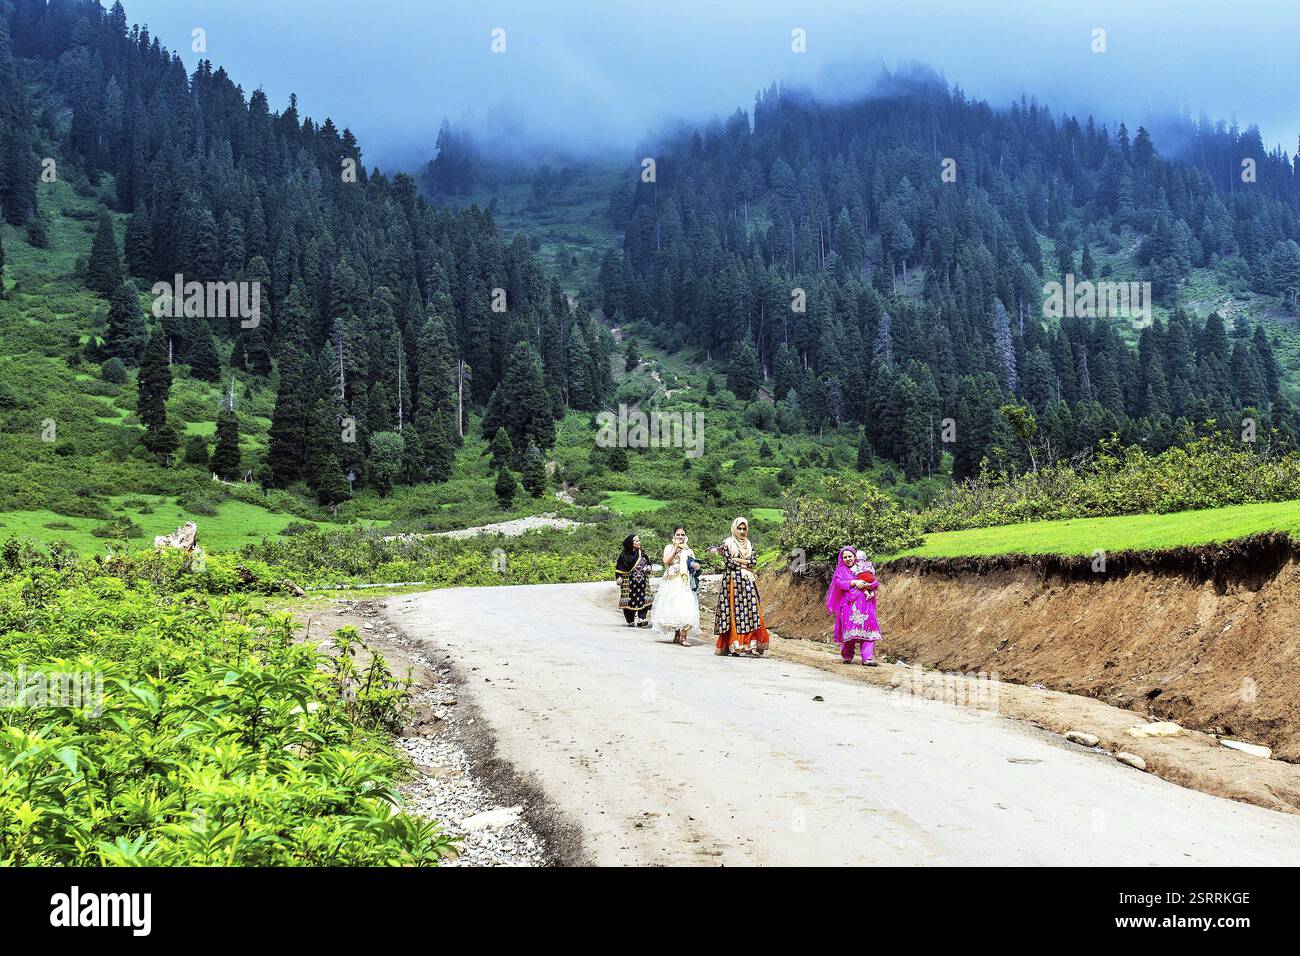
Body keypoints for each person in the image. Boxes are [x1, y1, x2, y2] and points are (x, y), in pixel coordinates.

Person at [714, 516, 770, 656]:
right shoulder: (728, 543)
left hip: (747, 582)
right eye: (739, 528)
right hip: (732, 583)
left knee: (751, 612)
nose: (742, 531)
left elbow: (754, 562)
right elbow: (729, 563)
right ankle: (736, 644)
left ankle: (751, 644)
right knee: (735, 613)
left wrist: (739, 560)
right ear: (734, 528)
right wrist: (745, 564)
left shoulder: (749, 544)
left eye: (744, 529)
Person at [825, 546, 880, 665]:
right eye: (845, 557)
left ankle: (867, 658)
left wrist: (867, 585)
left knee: (868, 629)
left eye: (850, 556)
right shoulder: (840, 571)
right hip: (848, 605)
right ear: (842, 558)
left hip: (866, 604)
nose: (848, 559)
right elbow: (839, 583)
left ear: (855, 557)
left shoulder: (863, 568)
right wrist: (854, 582)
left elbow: (875, 582)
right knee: (849, 630)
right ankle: (847, 656)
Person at [651, 525, 700, 644]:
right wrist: (676, 547)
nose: (680, 537)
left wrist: (695, 566)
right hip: (672, 582)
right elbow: (666, 561)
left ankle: (684, 637)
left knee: (686, 606)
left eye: (682, 535)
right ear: (674, 536)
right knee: (674, 607)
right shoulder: (669, 547)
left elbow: (692, 564)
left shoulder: (689, 550)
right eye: (678, 534)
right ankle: (677, 634)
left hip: (684, 582)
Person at [615, 533, 652, 627]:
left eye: (639, 540)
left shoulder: (642, 553)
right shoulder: (623, 555)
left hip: (642, 582)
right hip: (628, 581)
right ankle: (630, 620)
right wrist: (619, 577)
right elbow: (619, 568)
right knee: (628, 599)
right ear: (630, 543)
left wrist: (648, 568)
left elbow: (649, 564)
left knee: (643, 599)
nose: (639, 542)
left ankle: (641, 618)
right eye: (636, 541)